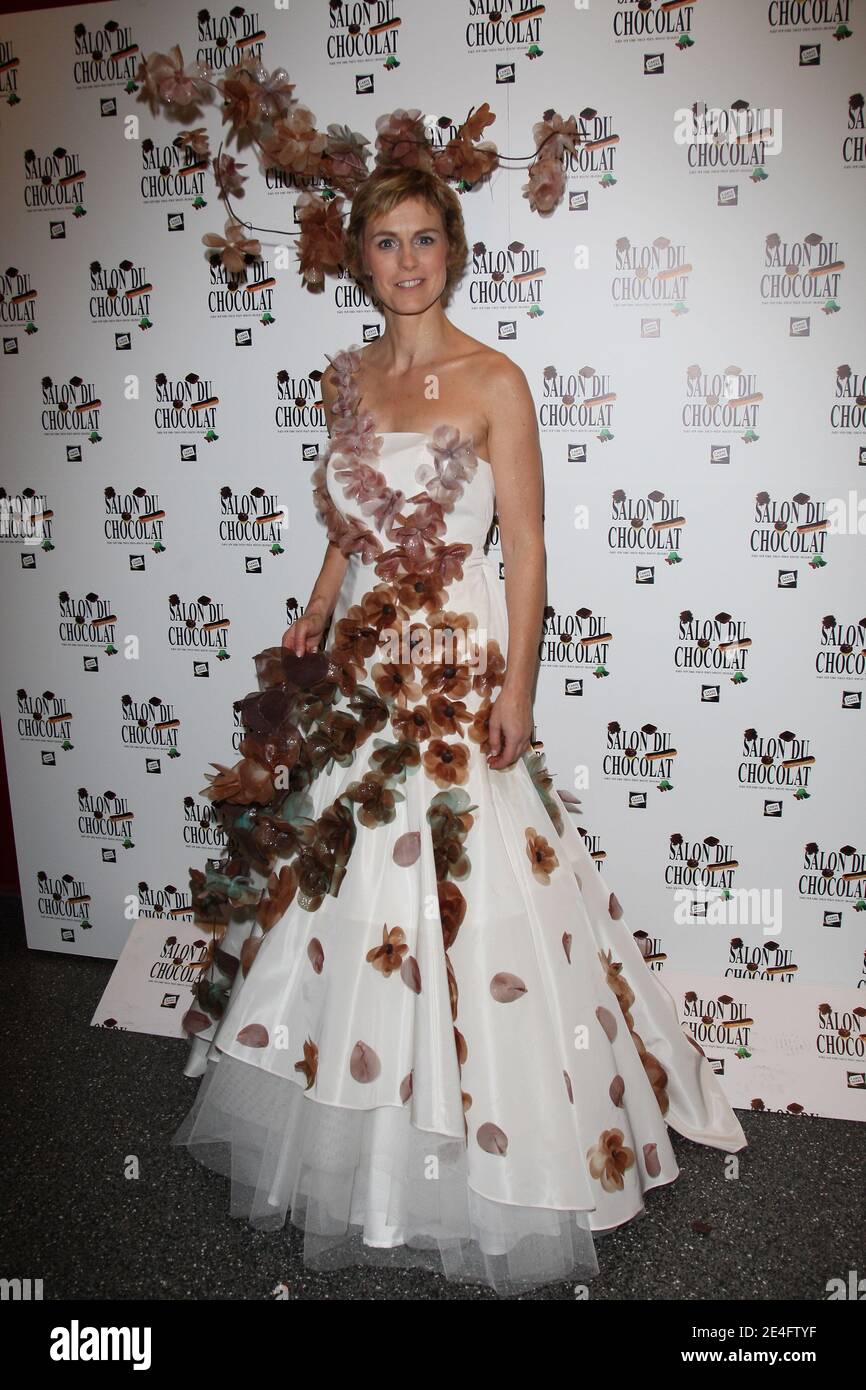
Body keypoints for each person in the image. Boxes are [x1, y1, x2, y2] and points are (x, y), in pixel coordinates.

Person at [171, 166, 747, 1298]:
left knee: (471, 887)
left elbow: (525, 547)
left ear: (455, 248)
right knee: (341, 882)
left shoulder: (496, 380)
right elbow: (350, 520)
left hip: (451, 656)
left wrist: (518, 686)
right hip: (365, 661)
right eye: (383, 242)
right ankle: (360, 1125)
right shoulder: (349, 380)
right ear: (361, 260)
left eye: (424, 238)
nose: (406, 260)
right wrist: (318, 598)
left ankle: (499, 1143)